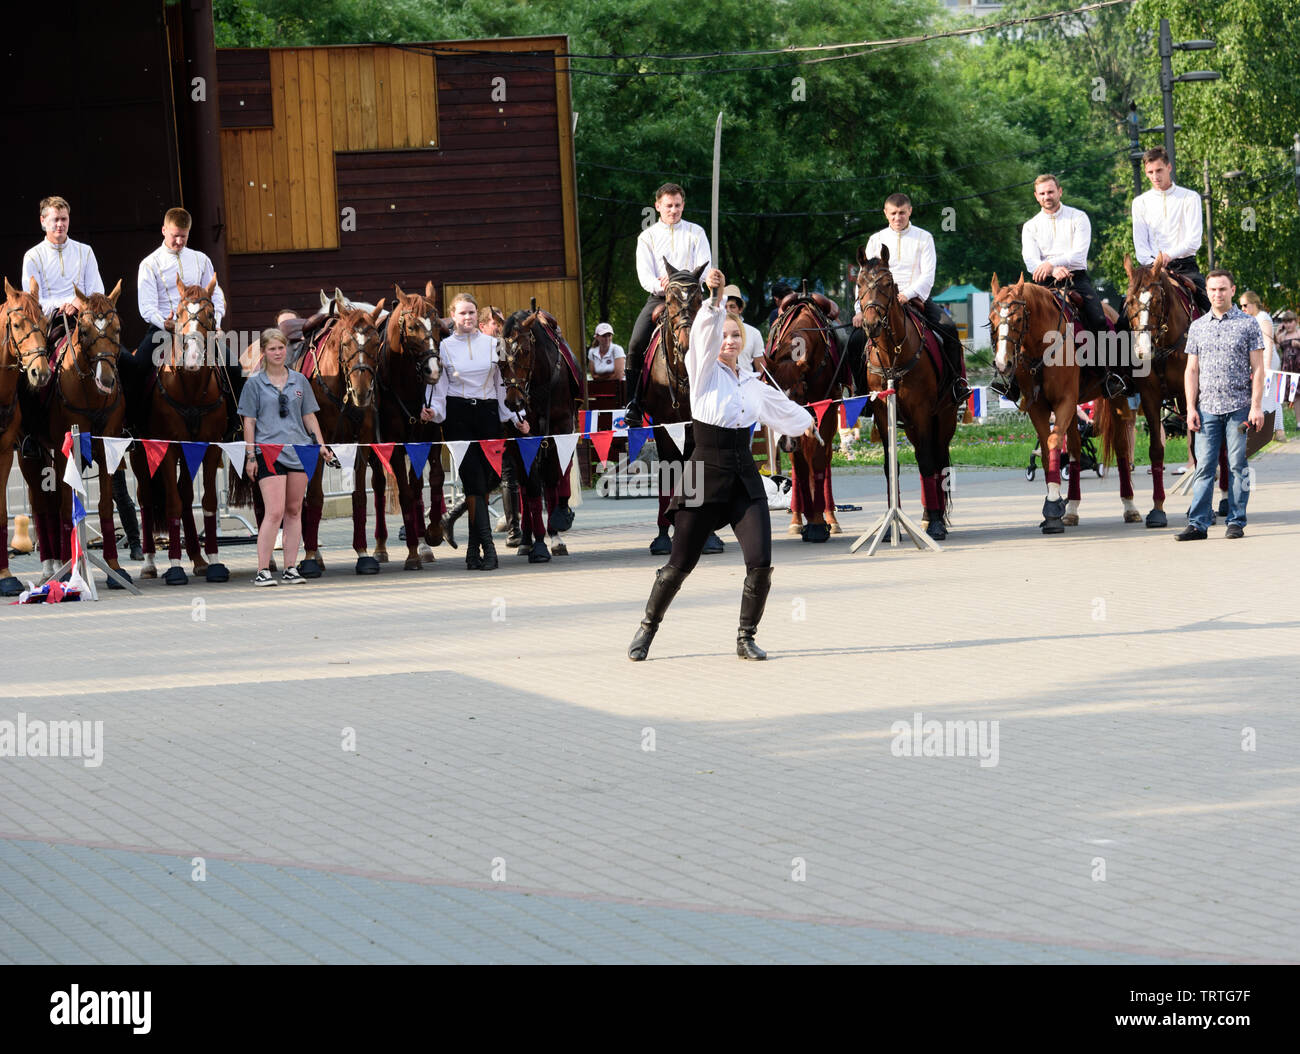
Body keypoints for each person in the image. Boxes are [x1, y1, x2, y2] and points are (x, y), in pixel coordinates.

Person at [628, 270, 816, 662]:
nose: (728, 341)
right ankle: (647, 628)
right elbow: (703, 334)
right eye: (723, 336)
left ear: (742, 342)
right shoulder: (703, 372)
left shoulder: (752, 384)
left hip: (743, 479)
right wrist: (713, 299)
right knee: (679, 565)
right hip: (700, 475)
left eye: (735, 336)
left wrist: (809, 424)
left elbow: (784, 410)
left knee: (761, 563)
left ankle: (746, 637)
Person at [20, 195, 142, 559]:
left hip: (88, 318)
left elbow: (98, 289)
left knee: (124, 361)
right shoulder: (33, 256)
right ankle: (30, 433)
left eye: (64, 219)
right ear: (43, 222)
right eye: (54, 220)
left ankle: (129, 424)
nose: (60, 225)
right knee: (41, 370)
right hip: (54, 322)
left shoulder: (85, 251)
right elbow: (31, 299)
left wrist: (84, 305)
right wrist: (60, 306)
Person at [420, 292, 529, 569]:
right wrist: (434, 411)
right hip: (457, 415)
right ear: (453, 317)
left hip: (489, 413)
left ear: (477, 315)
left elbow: (504, 383)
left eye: (471, 312)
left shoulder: (496, 344)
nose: (467, 318)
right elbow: (438, 388)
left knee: (487, 480)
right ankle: (489, 550)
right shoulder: (444, 348)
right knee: (473, 482)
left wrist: (517, 417)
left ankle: (472, 550)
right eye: (462, 313)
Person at [237, 327, 332, 584]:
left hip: (300, 451)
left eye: (281, 348)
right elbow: (249, 423)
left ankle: (291, 567)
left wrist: (321, 445)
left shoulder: (300, 380)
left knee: (294, 510)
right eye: (272, 349)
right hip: (268, 452)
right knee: (275, 511)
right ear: (264, 352)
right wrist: (250, 456)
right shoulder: (254, 383)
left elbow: (309, 415)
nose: (278, 353)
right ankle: (263, 570)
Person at [1176, 270, 1265, 541]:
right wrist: (1191, 408)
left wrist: (1256, 406)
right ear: (1207, 291)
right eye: (1213, 290)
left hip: (1239, 407)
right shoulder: (1198, 326)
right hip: (1207, 409)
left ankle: (1236, 520)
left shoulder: (1248, 324)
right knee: (1204, 466)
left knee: (1237, 464)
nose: (1217, 294)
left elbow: (1259, 369)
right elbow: (1191, 370)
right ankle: (1198, 524)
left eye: (1223, 289)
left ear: (1232, 290)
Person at [624, 183, 719, 426]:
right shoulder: (647, 237)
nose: (674, 210)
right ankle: (633, 403)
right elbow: (644, 275)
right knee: (635, 343)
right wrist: (662, 285)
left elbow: (705, 267)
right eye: (668, 206)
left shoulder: (696, 232)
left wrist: (684, 280)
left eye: (678, 205)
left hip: (692, 296)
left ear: (683, 205)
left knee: (722, 334)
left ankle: (727, 387)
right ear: (657, 206)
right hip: (661, 296)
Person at [1021, 174, 1121, 396]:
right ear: (1036, 197)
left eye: (1051, 191)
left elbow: (1078, 254)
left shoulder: (1078, 217)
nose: (1047, 196)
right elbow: (1030, 260)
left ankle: (1109, 374)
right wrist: (1049, 269)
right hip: (1043, 283)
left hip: (1076, 279)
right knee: (1015, 319)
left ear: (1060, 191)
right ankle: (1011, 380)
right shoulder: (1030, 226)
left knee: (1097, 319)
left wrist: (1050, 263)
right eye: (1043, 193)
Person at [864, 193, 970, 403]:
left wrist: (906, 295)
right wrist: (860, 311)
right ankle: (862, 393)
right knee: (856, 339)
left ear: (910, 211)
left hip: (915, 299)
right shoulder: (875, 240)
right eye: (893, 213)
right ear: (886, 213)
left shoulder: (924, 237)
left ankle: (955, 385)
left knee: (948, 329)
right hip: (880, 303)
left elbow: (927, 276)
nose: (897, 217)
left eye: (902, 212)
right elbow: (866, 279)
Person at [130, 207, 228, 428]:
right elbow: (145, 306)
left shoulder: (201, 259)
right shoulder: (150, 263)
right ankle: (134, 427)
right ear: (164, 230)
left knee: (234, 368)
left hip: (201, 328)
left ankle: (235, 427)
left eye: (184, 236)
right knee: (137, 368)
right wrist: (164, 321)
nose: (179, 241)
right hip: (164, 327)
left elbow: (217, 296)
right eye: (175, 235)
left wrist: (217, 323)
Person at [1132, 147, 1209, 312]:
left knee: (1212, 307)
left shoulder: (1190, 197)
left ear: (1169, 167)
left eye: (1159, 170)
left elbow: (1194, 241)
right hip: (1152, 270)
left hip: (1185, 268)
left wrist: (1168, 255)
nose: (1155, 176)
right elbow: (1140, 247)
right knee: (1126, 318)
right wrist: (1155, 263)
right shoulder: (1139, 203)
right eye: (1150, 172)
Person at [1239, 291, 1284, 442]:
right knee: (1270, 396)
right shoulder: (1252, 319)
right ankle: (1277, 430)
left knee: (1268, 396)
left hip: (1267, 359)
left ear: (1254, 303)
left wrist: (1266, 368)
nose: (1243, 308)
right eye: (1241, 306)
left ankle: (1273, 431)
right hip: (1261, 359)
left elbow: (1268, 343)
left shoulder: (1262, 318)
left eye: (1245, 305)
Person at [722, 286, 767, 375]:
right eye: (724, 307)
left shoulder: (754, 333)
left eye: (732, 307)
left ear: (740, 309)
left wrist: (753, 385)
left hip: (746, 384)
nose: (728, 311)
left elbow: (761, 368)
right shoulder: (713, 332)